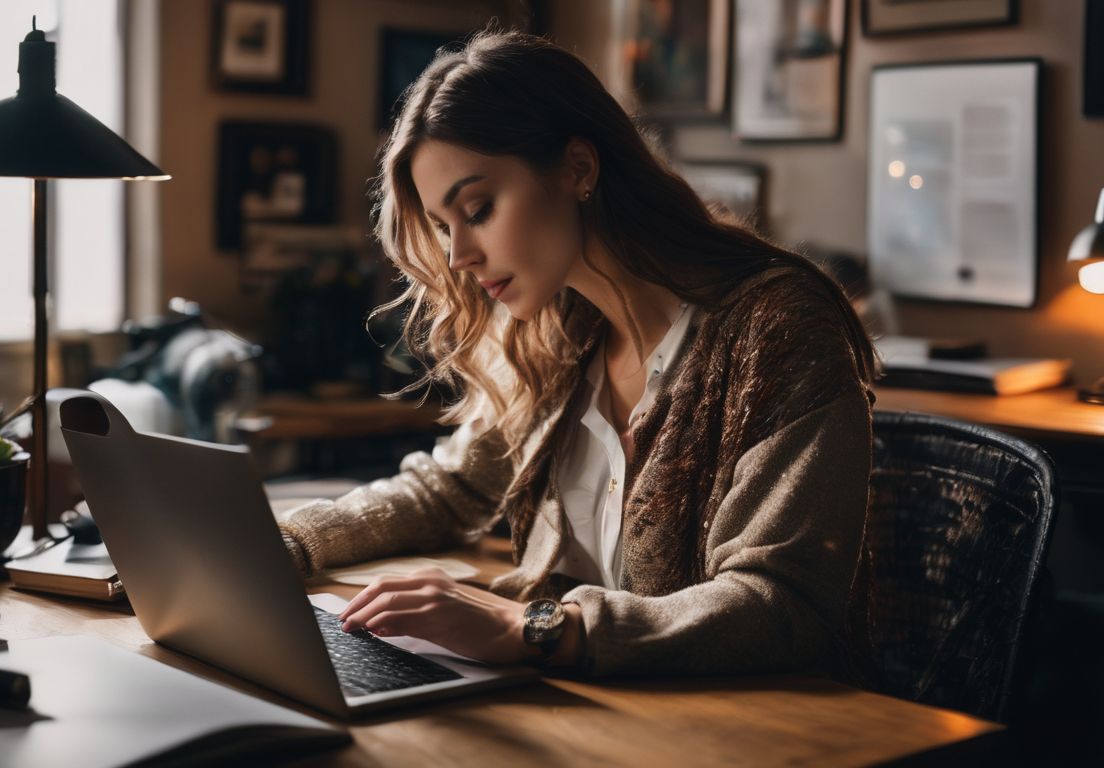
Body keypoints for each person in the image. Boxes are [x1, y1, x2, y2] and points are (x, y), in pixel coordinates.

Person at [277, 29, 876, 679]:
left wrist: (530, 628)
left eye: (477, 208)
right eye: (444, 227)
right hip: (575, 709)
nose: (458, 256)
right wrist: (284, 544)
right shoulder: (556, 332)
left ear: (579, 169)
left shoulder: (775, 329)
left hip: (726, 729)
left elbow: (781, 606)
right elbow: (448, 493)